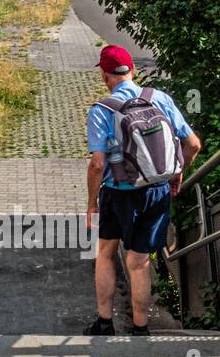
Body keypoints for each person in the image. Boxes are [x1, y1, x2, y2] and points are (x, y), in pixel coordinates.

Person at [85, 45, 201, 336]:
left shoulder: (102, 110)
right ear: (132, 70)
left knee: (106, 253)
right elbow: (194, 144)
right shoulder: (159, 98)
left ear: (104, 75)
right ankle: (140, 329)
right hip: (156, 191)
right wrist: (176, 173)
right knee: (138, 262)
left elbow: (98, 164)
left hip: (118, 192)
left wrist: (91, 203)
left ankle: (104, 323)